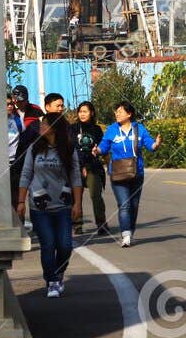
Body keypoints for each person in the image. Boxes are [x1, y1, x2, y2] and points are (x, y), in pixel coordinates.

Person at [16, 111, 82, 298]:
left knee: (65, 245)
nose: (41, 127)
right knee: (48, 244)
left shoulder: (68, 149)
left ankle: (59, 272)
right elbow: (26, 174)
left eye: (45, 124)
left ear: (55, 128)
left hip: (63, 205)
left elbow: (76, 177)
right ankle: (52, 281)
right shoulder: (34, 148)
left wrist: (78, 203)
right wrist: (21, 201)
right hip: (39, 207)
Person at [98, 101, 159, 248]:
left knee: (134, 205)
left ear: (129, 114)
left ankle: (130, 232)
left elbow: (150, 145)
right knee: (124, 204)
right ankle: (125, 234)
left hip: (136, 173)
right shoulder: (112, 129)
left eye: (120, 111)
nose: (117, 114)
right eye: (116, 111)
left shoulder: (139, 129)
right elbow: (103, 147)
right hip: (117, 173)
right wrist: (96, 150)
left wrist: (155, 144)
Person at [71, 101, 109, 237]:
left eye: (85, 111)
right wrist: (81, 166)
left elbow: (102, 148)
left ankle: (102, 224)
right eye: (80, 111)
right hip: (76, 166)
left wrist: (107, 163)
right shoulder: (73, 128)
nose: (82, 114)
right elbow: (73, 148)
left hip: (93, 167)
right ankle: (77, 225)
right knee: (76, 198)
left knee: (96, 196)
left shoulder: (97, 129)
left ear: (91, 113)